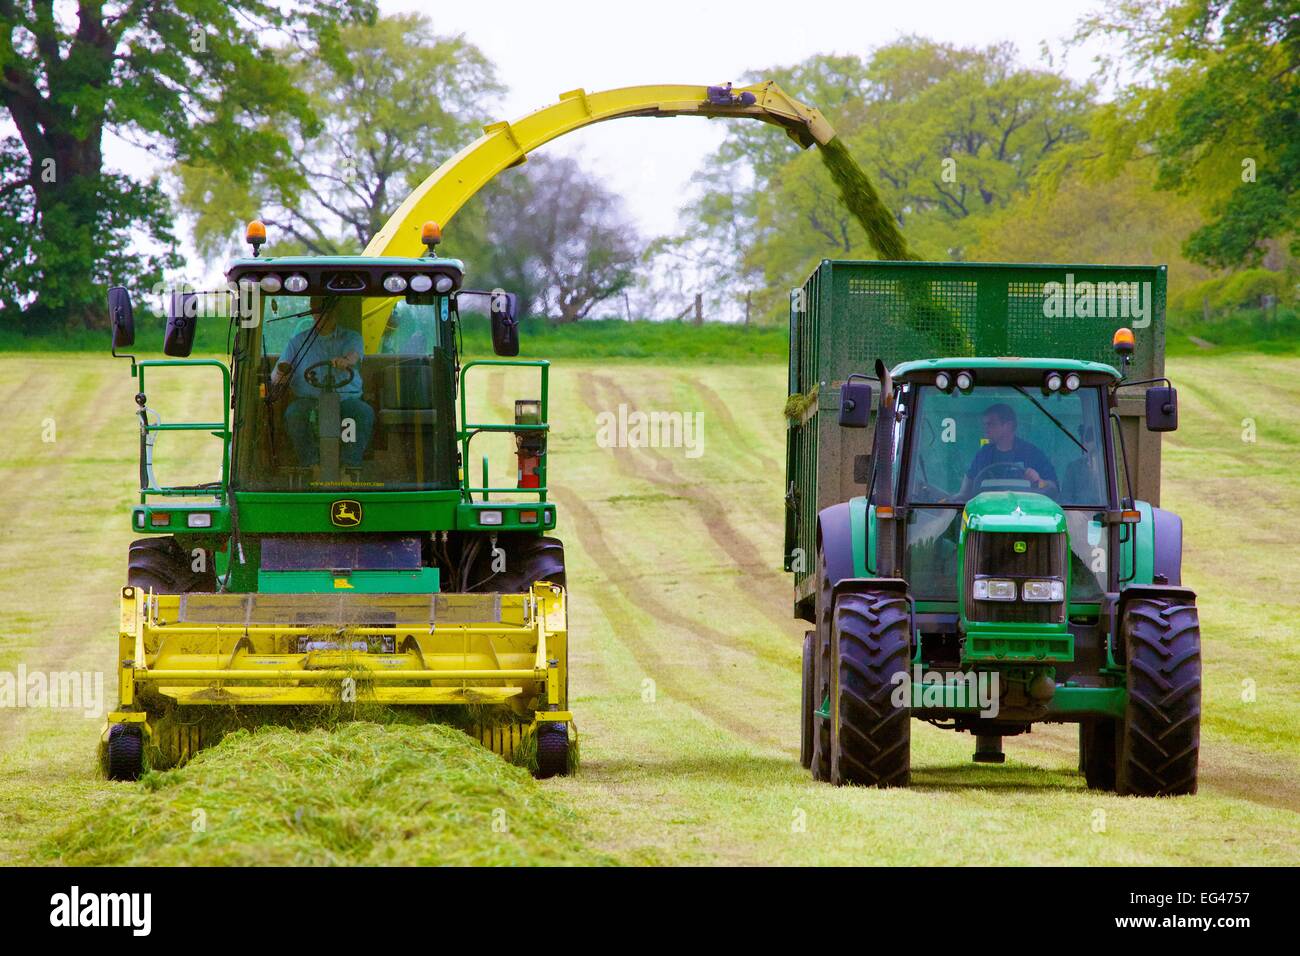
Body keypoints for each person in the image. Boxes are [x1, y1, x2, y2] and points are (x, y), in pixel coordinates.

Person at [270, 296, 374, 469]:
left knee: (363, 413)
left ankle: (350, 468)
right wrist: (283, 370)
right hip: (309, 400)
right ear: (312, 312)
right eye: (319, 311)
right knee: (294, 414)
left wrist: (345, 361)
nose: (324, 316)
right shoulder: (297, 343)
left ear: (336, 312)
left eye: (328, 310)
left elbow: (354, 355)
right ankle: (312, 466)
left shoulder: (352, 338)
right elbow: (277, 376)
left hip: (346, 400)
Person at [955, 403, 1058, 499]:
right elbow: (965, 491)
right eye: (985, 425)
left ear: (1008, 426)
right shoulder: (983, 454)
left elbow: (1053, 489)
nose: (986, 429)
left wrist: (1039, 481)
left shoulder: (1032, 454)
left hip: (1024, 513)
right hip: (987, 513)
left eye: (991, 424)